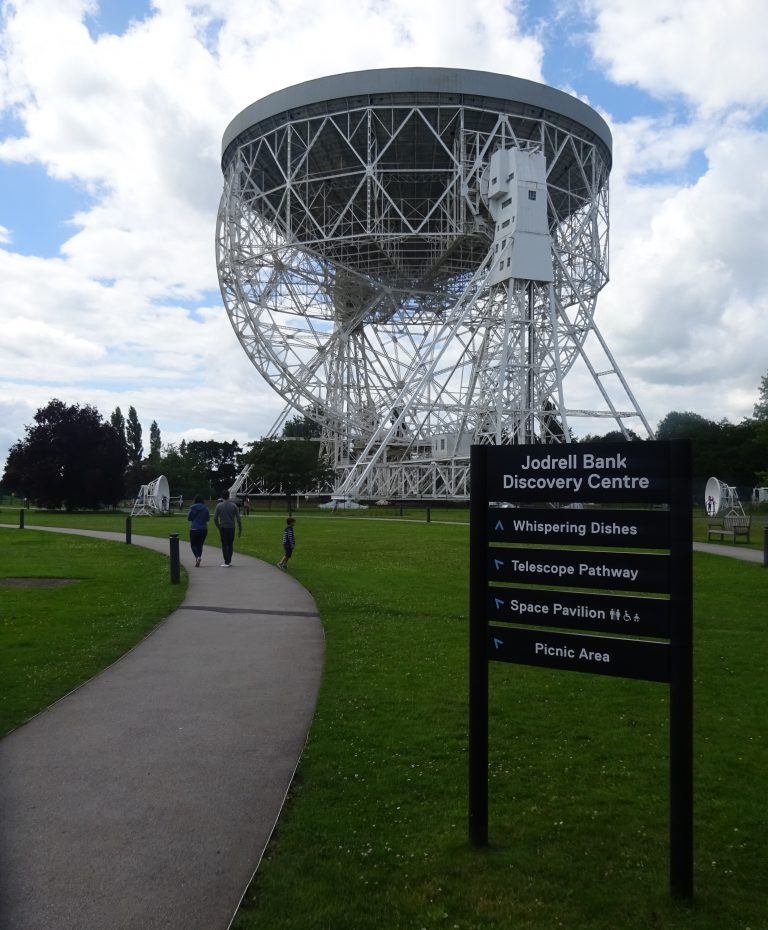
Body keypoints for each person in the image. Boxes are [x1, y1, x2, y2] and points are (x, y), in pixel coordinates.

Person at [214, 490, 242, 567]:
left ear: (222, 496)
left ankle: (226, 561)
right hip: (231, 527)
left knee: (224, 544)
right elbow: (238, 519)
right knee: (230, 544)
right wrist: (240, 529)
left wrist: (218, 526)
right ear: (229, 496)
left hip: (223, 527)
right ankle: (228, 559)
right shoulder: (234, 506)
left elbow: (215, 518)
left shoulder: (219, 506)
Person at [187, 494, 210, 568]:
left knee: (193, 545)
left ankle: (197, 557)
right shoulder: (205, 508)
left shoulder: (192, 508)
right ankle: (199, 556)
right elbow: (207, 518)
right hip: (203, 529)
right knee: (200, 545)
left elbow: (189, 518)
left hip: (194, 528)